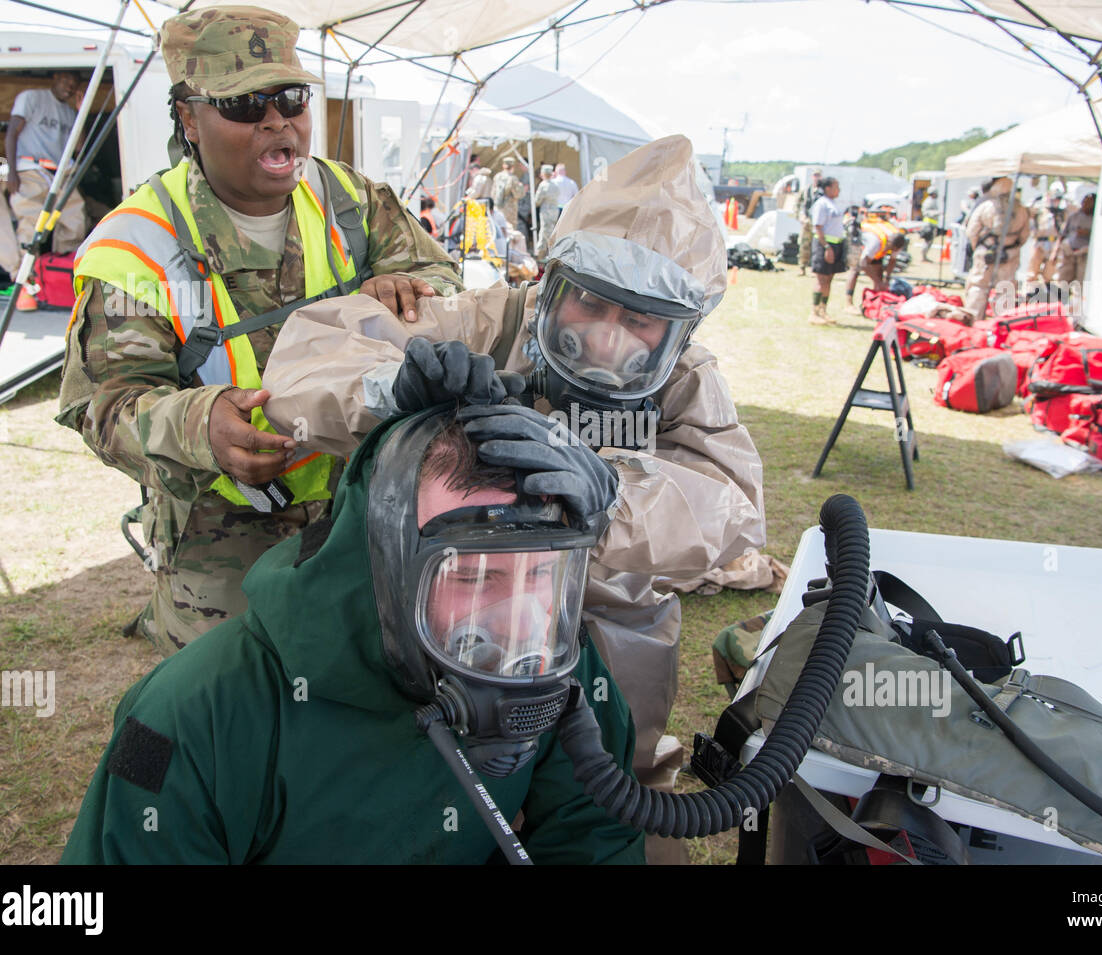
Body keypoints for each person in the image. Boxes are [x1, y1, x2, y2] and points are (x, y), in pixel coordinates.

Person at [260, 134, 766, 864]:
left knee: (615, 813)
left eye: (638, 321)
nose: (603, 337)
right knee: (435, 798)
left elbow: (733, 497)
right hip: (460, 611)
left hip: (612, 630)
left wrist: (611, 495)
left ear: (680, 329)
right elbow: (307, 359)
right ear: (549, 281)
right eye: (587, 301)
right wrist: (385, 390)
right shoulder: (496, 320)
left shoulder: (686, 376)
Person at [61, 406, 646, 864]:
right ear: (382, 563)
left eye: (543, 573)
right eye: (473, 575)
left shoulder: (551, 664)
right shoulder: (193, 714)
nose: (518, 624)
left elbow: (595, 836)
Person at [54, 6, 463, 657]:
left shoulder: (346, 200)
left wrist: (411, 288)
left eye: (290, 97)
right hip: (224, 532)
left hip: (360, 496)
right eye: (244, 103)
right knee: (241, 701)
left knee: (384, 670)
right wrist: (201, 423)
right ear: (189, 118)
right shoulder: (137, 247)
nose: (277, 120)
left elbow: (436, 274)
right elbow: (101, 405)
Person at [1, 70, 88, 309]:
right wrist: (12, 170)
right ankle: (23, 285)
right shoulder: (31, 98)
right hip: (30, 168)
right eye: (66, 81)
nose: (70, 88)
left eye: (74, 85)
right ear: (55, 77)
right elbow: (12, 132)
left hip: (59, 174)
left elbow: (79, 147)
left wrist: (81, 113)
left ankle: (59, 279)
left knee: (75, 220)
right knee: (30, 224)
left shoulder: (70, 112)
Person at [962, 176, 1031, 319]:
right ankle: (1001, 323)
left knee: (978, 287)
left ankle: (973, 319)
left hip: (985, 254)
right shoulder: (1021, 210)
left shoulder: (986, 206)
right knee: (1005, 291)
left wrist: (978, 248)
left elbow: (971, 231)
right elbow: (1025, 235)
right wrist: (1012, 248)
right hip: (1010, 255)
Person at [845, 213, 906, 307]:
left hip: (876, 246)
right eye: (892, 249)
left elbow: (892, 260)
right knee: (855, 270)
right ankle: (848, 303)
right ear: (890, 245)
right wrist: (878, 281)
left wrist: (887, 279)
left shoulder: (897, 240)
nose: (893, 252)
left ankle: (878, 299)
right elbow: (863, 263)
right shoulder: (875, 242)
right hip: (858, 240)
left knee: (879, 271)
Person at [808, 177, 845, 325]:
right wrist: (827, 247)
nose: (839, 190)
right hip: (824, 245)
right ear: (828, 188)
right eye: (836, 186)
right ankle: (814, 312)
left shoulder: (832, 204)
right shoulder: (821, 204)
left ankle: (823, 310)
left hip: (835, 245)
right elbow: (818, 227)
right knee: (821, 279)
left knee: (829, 279)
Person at [1051, 191, 1095, 290]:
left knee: (1081, 283)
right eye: (1085, 202)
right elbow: (1062, 235)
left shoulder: (1095, 219)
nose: (1085, 204)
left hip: (1084, 254)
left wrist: (1087, 233)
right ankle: (1062, 301)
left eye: (1089, 202)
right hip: (1069, 252)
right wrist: (1054, 252)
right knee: (1063, 280)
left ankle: (1077, 302)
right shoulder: (1073, 216)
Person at [1024, 185, 1065, 289]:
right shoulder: (1040, 209)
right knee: (1032, 272)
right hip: (1040, 242)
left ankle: (1045, 294)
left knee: (1049, 273)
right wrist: (1039, 199)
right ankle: (1029, 292)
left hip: (1054, 244)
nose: (1055, 200)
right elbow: (1027, 209)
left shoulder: (1061, 212)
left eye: (1058, 198)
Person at [492, 157, 527, 242]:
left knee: (498, 228)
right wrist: (521, 187)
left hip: (498, 208)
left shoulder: (497, 176)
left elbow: (493, 193)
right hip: (510, 209)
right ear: (512, 167)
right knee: (510, 230)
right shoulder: (513, 178)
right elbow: (518, 194)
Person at [796, 170, 822, 277]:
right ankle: (802, 267)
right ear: (812, 177)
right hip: (807, 221)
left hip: (819, 222)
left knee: (817, 246)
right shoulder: (806, 190)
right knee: (804, 244)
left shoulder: (823, 191)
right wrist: (800, 216)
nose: (816, 178)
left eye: (818, 176)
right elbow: (797, 204)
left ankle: (814, 268)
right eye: (815, 175)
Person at [533, 163, 560, 259]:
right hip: (554, 211)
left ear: (543, 174)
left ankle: (541, 255)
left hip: (546, 212)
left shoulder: (543, 185)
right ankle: (550, 253)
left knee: (544, 233)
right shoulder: (555, 185)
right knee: (552, 232)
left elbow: (537, 201)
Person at [919, 188, 941, 261]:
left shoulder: (932, 201)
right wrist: (937, 212)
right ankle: (923, 256)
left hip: (932, 224)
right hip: (928, 224)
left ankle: (924, 256)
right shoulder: (929, 202)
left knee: (930, 241)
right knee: (928, 240)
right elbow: (926, 212)